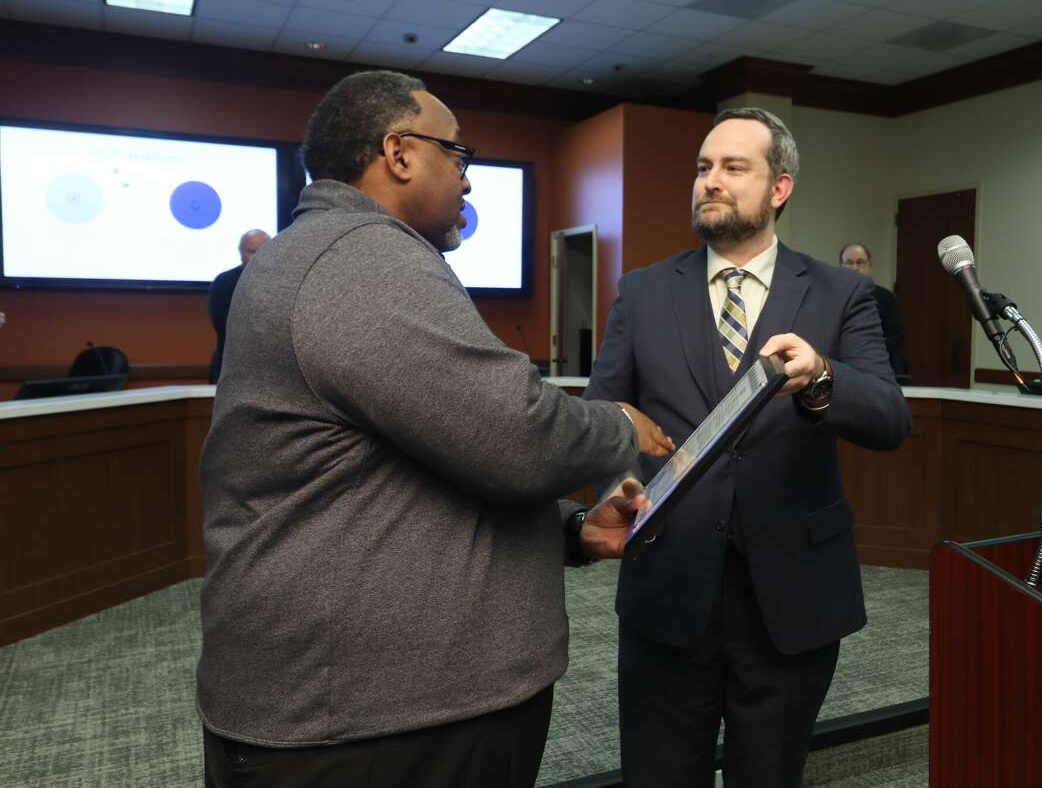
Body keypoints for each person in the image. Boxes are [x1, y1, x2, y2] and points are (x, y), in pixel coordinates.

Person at [197, 70, 673, 788]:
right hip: (369, 727)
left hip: (365, 707)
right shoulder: (360, 257)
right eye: (459, 156)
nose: (469, 181)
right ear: (398, 152)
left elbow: (403, 477)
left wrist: (567, 532)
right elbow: (516, 436)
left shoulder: (322, 252)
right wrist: (618, 425)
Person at [584, 108, 911, 787]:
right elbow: (601, 415)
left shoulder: (841, 292)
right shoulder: (643, 292)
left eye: (734, 168)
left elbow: (889, 417)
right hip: (668, 587)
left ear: (779, 188)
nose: (711, 181)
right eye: (704, 167)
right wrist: (613, 483)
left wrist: (823, 376)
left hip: (792, 596)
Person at [207, 229, 269, 383]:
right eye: (251, 252)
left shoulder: (283, 282)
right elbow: (225, 327)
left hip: (270, 369)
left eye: (263, 252)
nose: (257, 258)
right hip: (232, 365)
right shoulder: (224, 282)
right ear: (240, 252)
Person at [839, 242, 907, 375]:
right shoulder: (832, 298)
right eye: (849, 262)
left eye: (860, 262)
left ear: (869, 266)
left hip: (881, 366)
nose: (855, 268)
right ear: (841, 267)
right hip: (843, 369)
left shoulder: (886, 297)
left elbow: (896, 338)